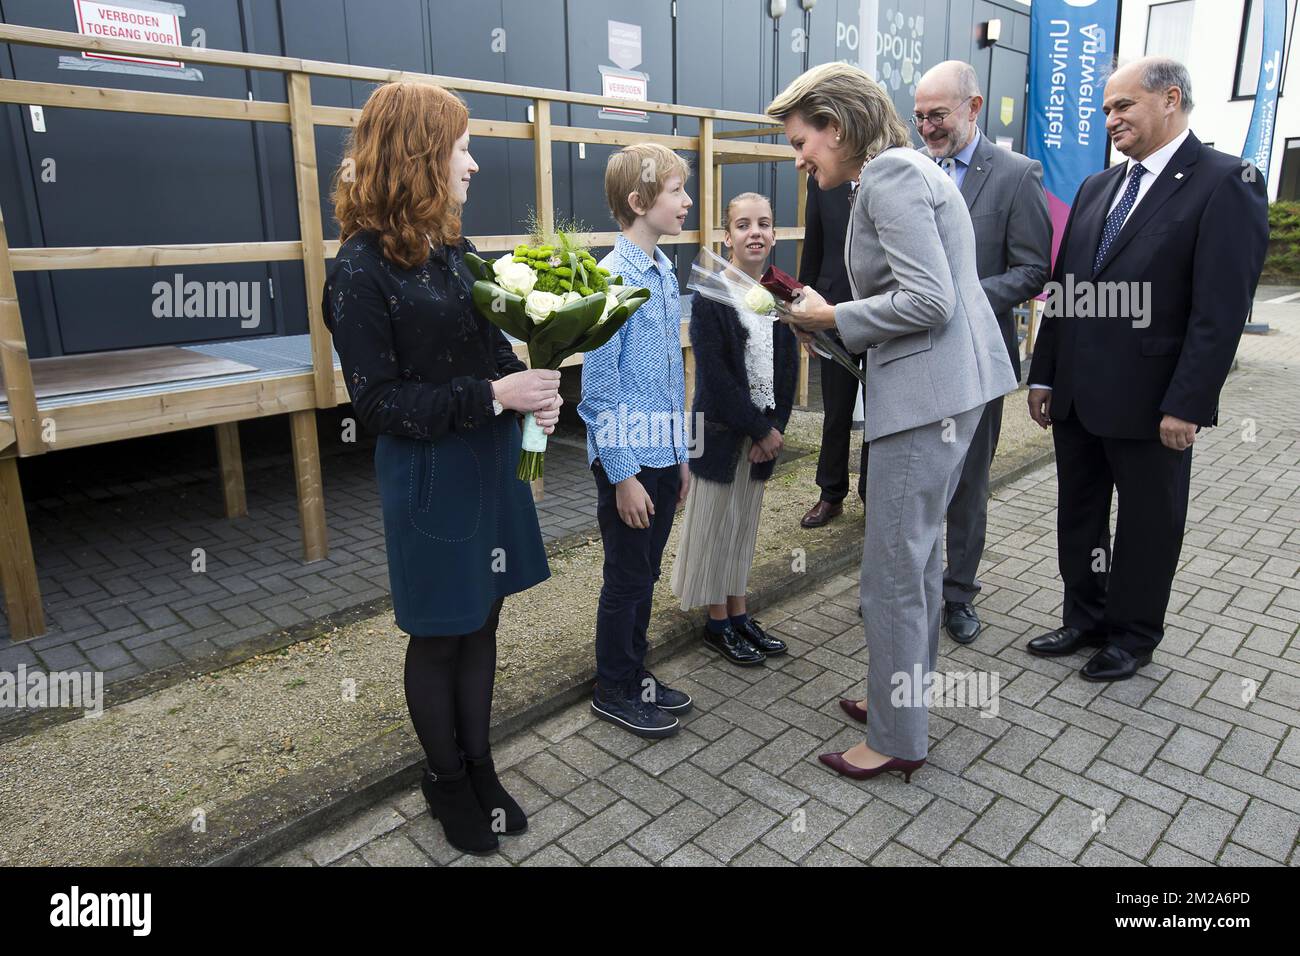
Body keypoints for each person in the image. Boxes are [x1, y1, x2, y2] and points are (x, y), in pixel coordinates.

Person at [323, 82, 562, 856]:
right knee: (439, 633)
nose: (474, 163)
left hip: (489, 465)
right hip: (429, 480)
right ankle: (446, 779)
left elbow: (496, 345)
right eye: (461, 147)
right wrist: (493, 394)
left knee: (484, 618)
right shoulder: (359, 270)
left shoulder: (453, 252)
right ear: (421, 154)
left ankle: (479, 766)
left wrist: (533, 395)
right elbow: (378, 404)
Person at [768, 62, 1017, 782]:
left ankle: (897, 738)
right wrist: (834, 317)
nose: (800, 157)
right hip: (946, 391)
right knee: (919, 561)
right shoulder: (910, 169)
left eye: (801, 141)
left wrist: (832, 316)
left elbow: (930, 301)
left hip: (925, 403)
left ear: (837, 127)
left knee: (892, 575)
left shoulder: (889, 178)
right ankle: (897, 699)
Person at [1025, 57, 1268, 681]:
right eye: (1106, 109)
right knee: (1079, 511)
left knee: (1146, 523)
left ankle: (1132, 635)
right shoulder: (1097, 187)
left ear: (1170, 99)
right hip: (1078, 395)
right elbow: (1066, 289)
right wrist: (1045, 374)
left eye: (1123, 106)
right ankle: (1084, 617)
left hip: (1153, 401)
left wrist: (1188, 403)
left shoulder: (1225, 181)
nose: (1111, 119)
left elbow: (1221, 310)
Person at [913, 61, 1052, 644]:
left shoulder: (1017, 175)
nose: (927, 127)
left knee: (968, 481)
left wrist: (960, 298)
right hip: (914, 355)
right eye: (919, 116)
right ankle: (912, 592)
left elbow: (1034, 269)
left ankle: (959, 594)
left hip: (976, 357)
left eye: (938, 115)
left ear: (974, 107)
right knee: (915, 480)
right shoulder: (911, 170)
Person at [577, 143, 695, 739]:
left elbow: (670, 376)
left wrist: (679, 459)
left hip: (661, 453)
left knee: (645, 575)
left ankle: (636, 674)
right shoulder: (610, 277)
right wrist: (623, 475)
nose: (687, 201)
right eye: (676, 191)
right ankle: (613, 686)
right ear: (638, 201)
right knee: (626, 579)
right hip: (628, 461)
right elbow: (596, 393)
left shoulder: (663, 270)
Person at [670, 192, 796, 666]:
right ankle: (717, 621)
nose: (755, 233)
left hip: (763, 433)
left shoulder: (780, 293)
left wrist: (774, 428)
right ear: (727, 237)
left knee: (743, 524)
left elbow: (785, 367)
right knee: (715, 524)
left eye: (764, 223)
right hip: (723, 430)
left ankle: (740, 611)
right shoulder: (709, 295)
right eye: (743, 225)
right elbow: (717, 378)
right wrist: (757, 429)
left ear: (774, 233)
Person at [798, 177, 866, 528]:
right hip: (830, 307)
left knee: (883, 412)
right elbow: (815, 241)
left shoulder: (891, 169)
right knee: (836, 410)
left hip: (879, 312)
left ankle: (873, 492)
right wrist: (802, 308)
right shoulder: (823, 178)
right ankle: (831, 494)